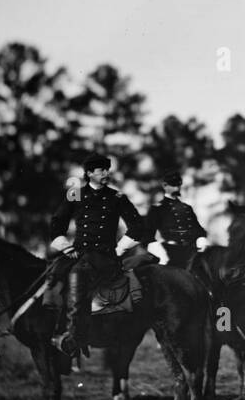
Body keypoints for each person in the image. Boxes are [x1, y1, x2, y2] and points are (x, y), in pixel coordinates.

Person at [49, 152, 145, 359]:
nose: (105, 173)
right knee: (52, 275)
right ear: (89, 173)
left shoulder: (116, 197)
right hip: (78, 253)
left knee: (77, 274)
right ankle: (54, 328)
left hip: (105, 256)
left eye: (106, 169)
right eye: (101, 170)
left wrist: (119, 249)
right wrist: (65, 247)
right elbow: (57, 223)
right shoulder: (75, 194)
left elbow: (138, 226)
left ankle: (74, 336)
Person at [145, 171, 207, 269]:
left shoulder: (187, 207)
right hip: (170, 252)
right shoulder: (158, 208)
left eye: (178, 185)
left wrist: (201, 238)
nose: (176, 188)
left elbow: (198, 229)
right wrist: (157, 249)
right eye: (173, 185)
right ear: (165, 186)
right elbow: (148, 233)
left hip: (191, 251)